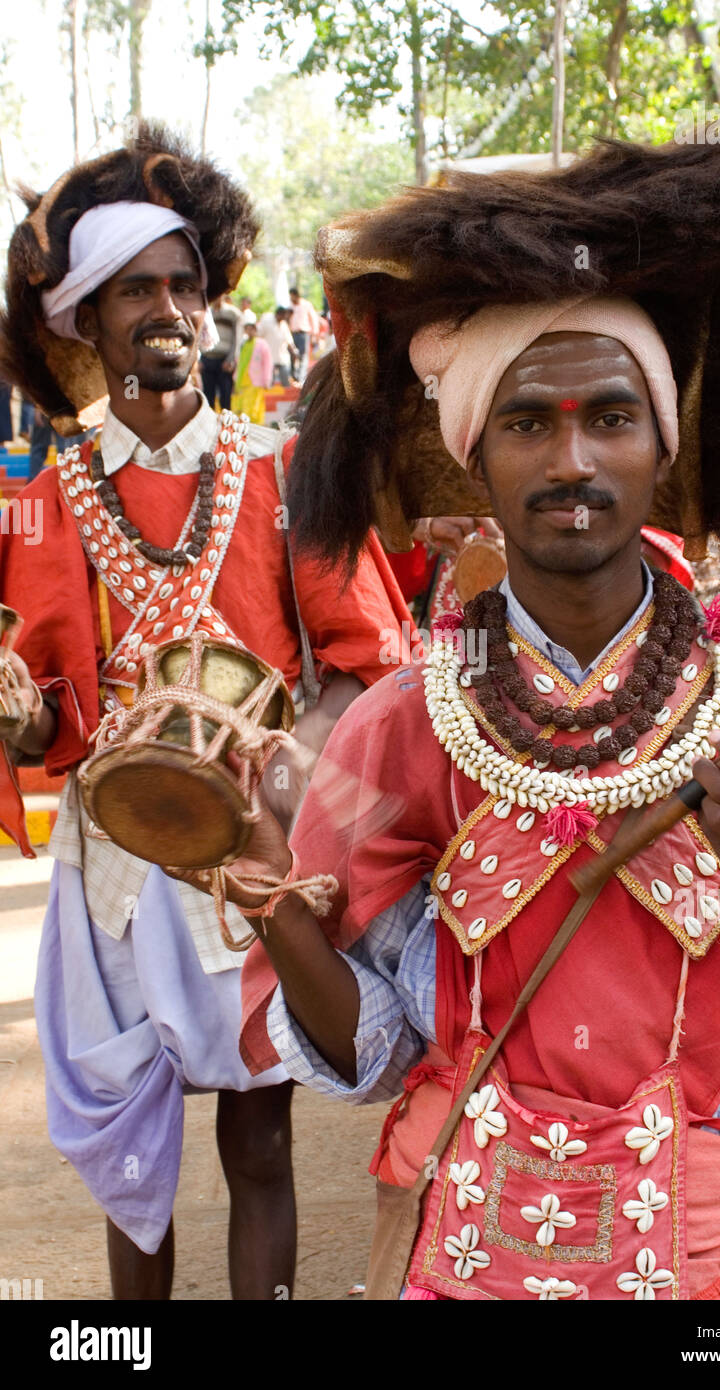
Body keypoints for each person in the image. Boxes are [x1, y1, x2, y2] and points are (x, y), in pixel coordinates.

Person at [232, 140, 720, 1301]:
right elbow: (366, 1050)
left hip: (710, 1263)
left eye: (609, 416)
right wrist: (278, 905)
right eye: (527, 422)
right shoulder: (398, 727)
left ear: (658, 443)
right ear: (473, 451)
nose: (570, 460)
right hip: (465, 1254)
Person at [0, 124, 414, 1301]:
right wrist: (26, 720)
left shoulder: (281, 473)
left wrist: (295, 775)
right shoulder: (47, 495)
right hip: (113, 873)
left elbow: (359, 657)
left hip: (251, 859)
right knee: (135, 1159)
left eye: (185, 284)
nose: (170, 308)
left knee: (260, 1143)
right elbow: (53, 726)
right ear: (87, 318)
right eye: (138, 289)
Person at [199, 293, 243, 411]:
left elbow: (237, 339)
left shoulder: (233, 314)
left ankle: (226, 426)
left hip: (224, 360)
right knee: (208, 397)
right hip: (207, 358)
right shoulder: (205, 313)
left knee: (225, 396)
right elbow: (198, 335)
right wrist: (199, 359)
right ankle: (209, 426)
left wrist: (231, 360)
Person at [231, 321, 273, 425]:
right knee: (242, 408)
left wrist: (267, 380)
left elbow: (267, 363)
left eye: (251, 329)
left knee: (254, 409)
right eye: (247, 329)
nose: (249, 331)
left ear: (255, 330)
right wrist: (236, 378)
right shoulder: (244, 344)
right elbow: (240, 362)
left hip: (255, 382)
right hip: (242, 382)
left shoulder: (262, 344)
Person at [258, 306, 295, 387]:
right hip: (269, 357)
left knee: (285, 380)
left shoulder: (283, 324)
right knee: (269, 381)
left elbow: (289, 340)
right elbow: (258, 336)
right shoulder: (266, 321)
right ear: (278, 314)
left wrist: (293, 350)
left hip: (282, 357)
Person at [288, 287, 318, 383]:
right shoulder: (290, 306)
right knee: (292, 355)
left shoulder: (306, 305)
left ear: (296, 295)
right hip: (292, 334)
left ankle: (301, 378)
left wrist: (314, 334)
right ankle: (294, 376)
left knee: (303, 356)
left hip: (303, 333)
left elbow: (313, 319)